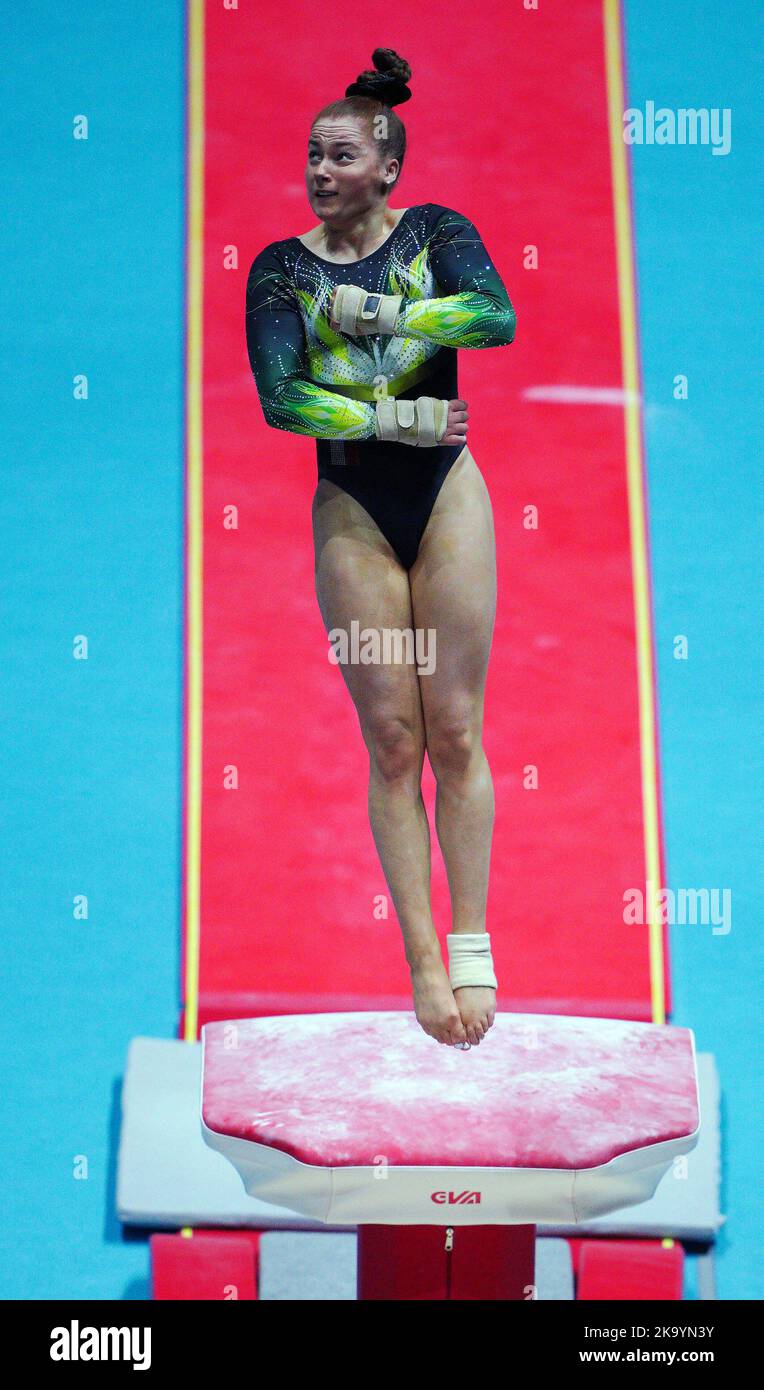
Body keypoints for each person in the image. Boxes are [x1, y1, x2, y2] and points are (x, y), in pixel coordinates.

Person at [245, 48, 516, 1047]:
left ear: (386, 167)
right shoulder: (282, 268)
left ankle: (475, 939)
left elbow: (494, 317)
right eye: (312, 155)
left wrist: (384, 312)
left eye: (340, 155)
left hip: (448, 501)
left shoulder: (438, 233)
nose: (319, 171)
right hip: (352, 509)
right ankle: (421, 961)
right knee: (393, 742)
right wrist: (396, 421)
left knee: (452, 727)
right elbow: (283, 400)